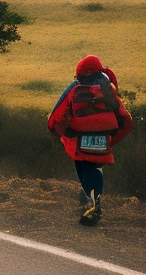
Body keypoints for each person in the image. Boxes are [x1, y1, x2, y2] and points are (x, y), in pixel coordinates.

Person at [46, 54, 133, 226]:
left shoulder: (75, 88)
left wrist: (55, 130)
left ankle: (92, 203)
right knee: (95, 167)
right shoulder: (108, 89)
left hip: (79, 139)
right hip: (103, 140)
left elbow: (56, 114)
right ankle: (91, 198)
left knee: (83, 167)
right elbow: (127, 120)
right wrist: (112, 140)